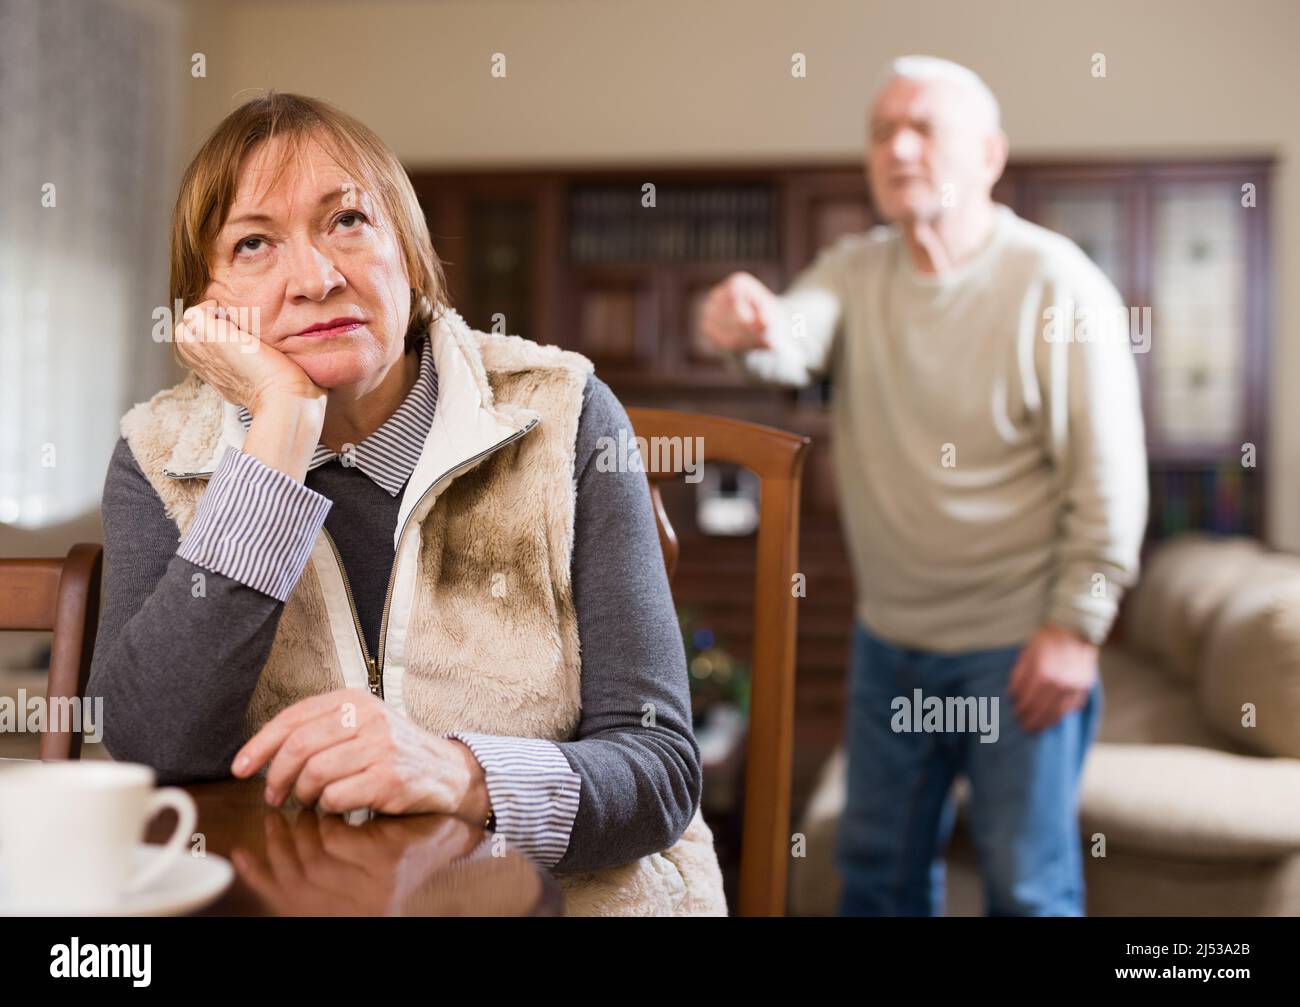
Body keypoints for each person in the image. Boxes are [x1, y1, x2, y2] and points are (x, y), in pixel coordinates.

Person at [86, 91, 726, 916]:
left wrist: (459, 772)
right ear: (209, 313)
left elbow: (660, 767)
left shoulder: (564, 413)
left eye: (347, 221)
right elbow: (149, 745)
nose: (315, 279)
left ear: (412, 257)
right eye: (253, 242)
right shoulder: (158, 456)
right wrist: (277, 439)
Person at [700, 56, 1148, 916]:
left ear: (988, 155)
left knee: (1029, 890)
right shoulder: (855, 271)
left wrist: (1075, 629)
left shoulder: (1057, 286)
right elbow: (791, 336)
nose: (897, 148)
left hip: (1021, 647)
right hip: (892, 645)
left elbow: (1110, 476)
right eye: (880, 132)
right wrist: (747, 325)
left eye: (922, 128)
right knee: (876, 883)